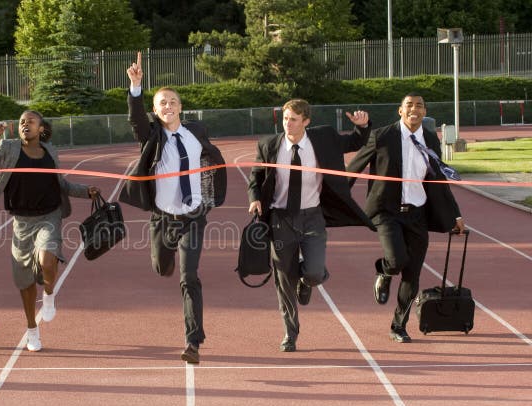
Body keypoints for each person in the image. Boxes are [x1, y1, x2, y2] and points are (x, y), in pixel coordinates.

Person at [120, 52, 227, 364]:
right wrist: (136, 87)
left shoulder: (197, 132)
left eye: (172, 102)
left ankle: (193, 342)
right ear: (156, 110)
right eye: (162, 103)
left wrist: (211, 188)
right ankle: (164, 261)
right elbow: (136, 120)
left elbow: (213, 158)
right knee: (161, 266)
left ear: (181, 107)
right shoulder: (152, 136)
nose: (167, 106)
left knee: (189, 277)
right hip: (164, 217)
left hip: (194, 215)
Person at [0, 110, 99, 352]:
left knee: (48, 260)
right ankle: (32, 330)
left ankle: (48, 294)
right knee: (24, 282)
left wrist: (85, 190)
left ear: (40, 127)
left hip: (49, 216)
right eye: (22, 122)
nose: (25, 124)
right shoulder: (8, 148)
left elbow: (61, 184)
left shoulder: (49, 152)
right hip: (21, 222)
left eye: (30, 121)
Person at [247, 99, 375, 352]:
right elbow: (256, 176)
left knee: (315, 271)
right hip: (280, 219)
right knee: (284, 279)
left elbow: (354, 142)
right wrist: (254, 200)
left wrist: (363, 126)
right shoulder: (269, 145)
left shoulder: (324, 138)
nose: (288, 123)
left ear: (306, 121)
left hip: (313, 217)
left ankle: (307, 282)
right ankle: (290, 333)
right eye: (285, 118)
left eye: (293, 119)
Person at [347, 92, 465, 343]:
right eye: (409, 105)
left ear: (425, 111)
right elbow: (353, 168)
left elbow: (439, 179)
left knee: (413, 275)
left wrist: (455, 213)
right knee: (397, 259)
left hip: (417, 213)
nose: (414, 109)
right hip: (386, 211)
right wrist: (333, 197)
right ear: (400, 111)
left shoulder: (431, 139)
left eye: (419, 106)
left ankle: (398, 325)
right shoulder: (382, 136)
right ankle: (385, 272)